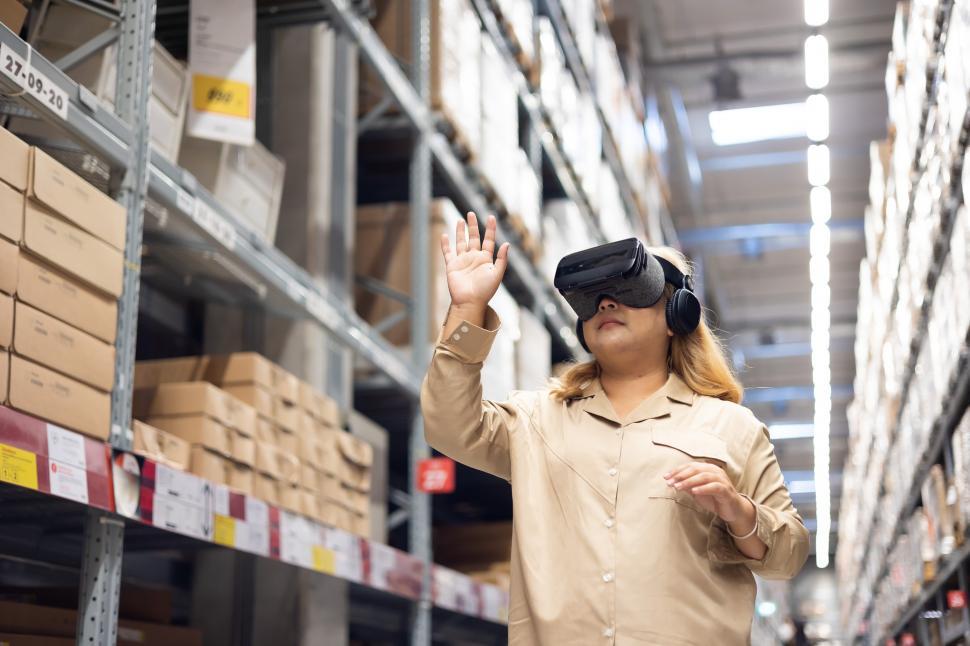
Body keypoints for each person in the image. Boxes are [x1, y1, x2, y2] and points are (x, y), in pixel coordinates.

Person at [421, 212, 809, 645]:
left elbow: (789, 555)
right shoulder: (536, 421)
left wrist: (739, 512)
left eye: (631, 291)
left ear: (676, 315)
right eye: (594, 298)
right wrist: (467, 309)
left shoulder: (731, 427)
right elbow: (448, 425)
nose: (606, 303)